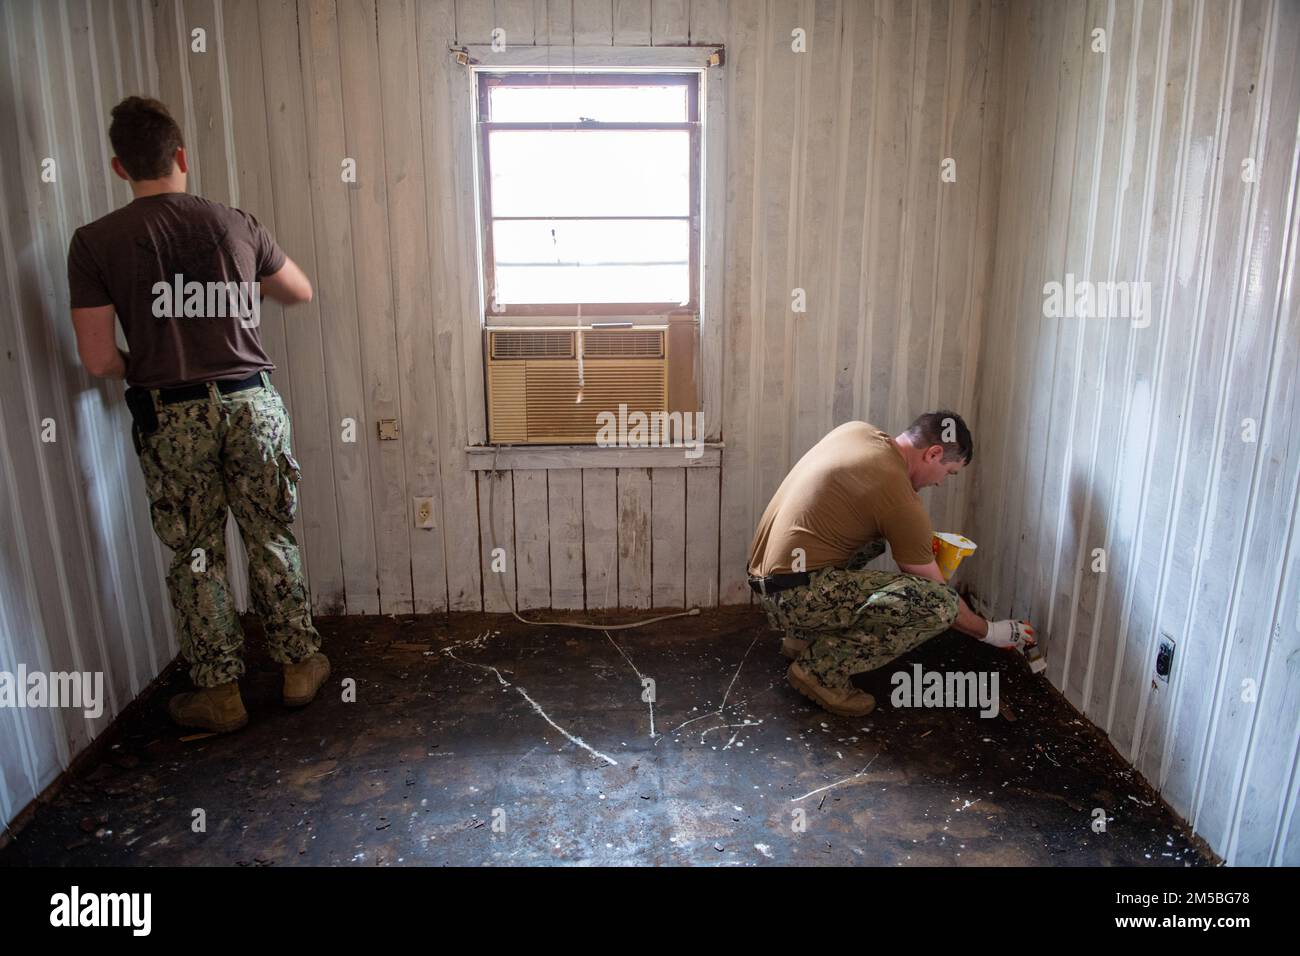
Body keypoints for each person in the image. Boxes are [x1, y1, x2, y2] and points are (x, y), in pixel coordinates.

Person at [67, 96, 329, 733]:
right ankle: (299, 666)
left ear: (118, 166)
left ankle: (220, 695)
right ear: (181, 156)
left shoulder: (94, 243)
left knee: (197, 555)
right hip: (251, 402)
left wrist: (155, 357)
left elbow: (99, 360)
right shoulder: (233, 223)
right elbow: (298, 290)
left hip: (172, 414)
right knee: (270, 535)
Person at [747, 411, 1036, 717]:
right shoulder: (899, 497)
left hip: (768, 578)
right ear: (934, 453)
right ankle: (820, 671)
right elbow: (940, 596)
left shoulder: (858, 432)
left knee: (877, 537)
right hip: (792, 597)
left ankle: (802, 636)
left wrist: (918, 543)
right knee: (938, 605)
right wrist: (991, 631)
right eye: (948, 473)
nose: (940, 483)